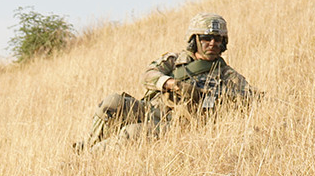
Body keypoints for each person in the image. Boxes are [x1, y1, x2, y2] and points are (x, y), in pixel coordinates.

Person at [80, 13, 257, 148]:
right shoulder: (175, 60)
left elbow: (249, 99)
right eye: (206, 38)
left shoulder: (227, 74)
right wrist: (173, 84)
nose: (212, 43)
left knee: (132, 133)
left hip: (176, 125)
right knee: (113, 102)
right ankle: (88, 146)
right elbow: (148, 75)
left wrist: (214, 99)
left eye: (217, 39)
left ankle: (91, 159)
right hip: (151, 110)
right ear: (194, 40)